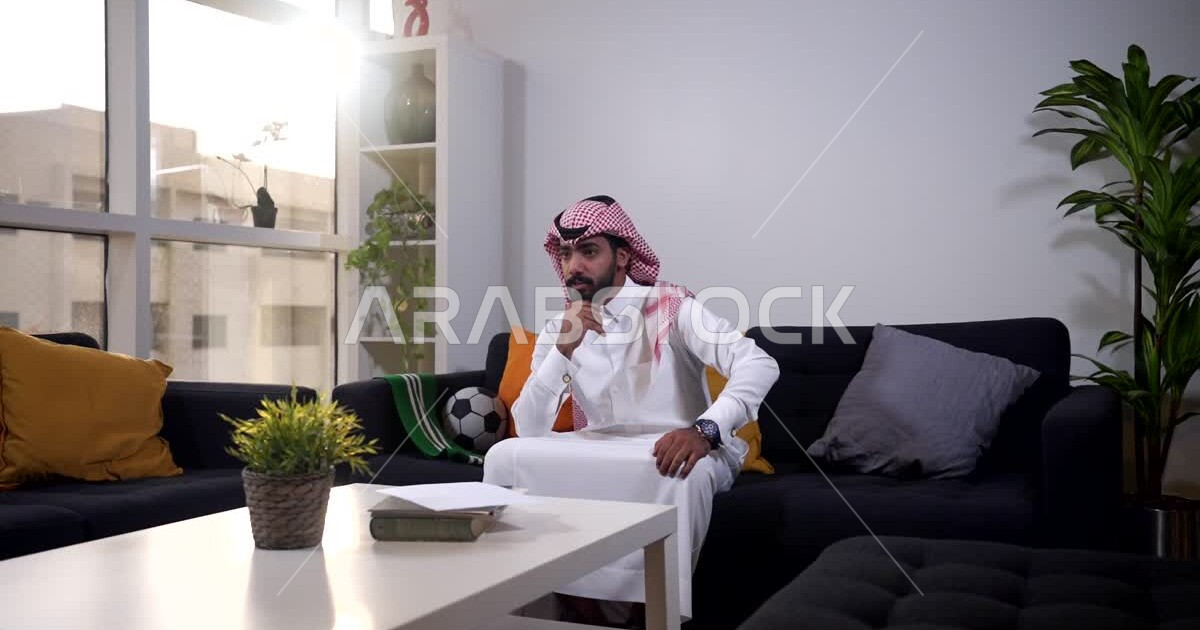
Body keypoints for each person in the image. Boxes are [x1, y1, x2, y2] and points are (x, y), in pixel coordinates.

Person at [482, 195, 780, 627]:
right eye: (566, 254)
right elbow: (528, 428)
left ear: (623, 257)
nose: (573, 266)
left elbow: (758, 362)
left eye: (588, 251)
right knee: (503, 457)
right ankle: (531, 604)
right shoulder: (557, 329)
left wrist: (705, 430)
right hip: (600, 446)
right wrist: (561, 352)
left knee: (677, 472)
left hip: (680, 444)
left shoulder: (672, 307)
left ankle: (649, 614)